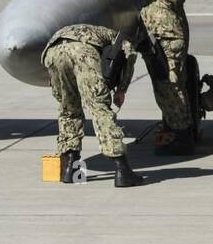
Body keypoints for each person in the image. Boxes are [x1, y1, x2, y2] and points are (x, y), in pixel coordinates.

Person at [91, 0, 194, 153]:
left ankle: (181, 137)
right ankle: (176, 129)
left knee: (170, 86)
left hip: (167, 36)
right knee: (168, 85)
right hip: (162, 35)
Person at [41, 23, 145, 188]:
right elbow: (129, 55)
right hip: (82, 51)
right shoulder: (118, 37)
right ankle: (122, 170)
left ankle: (71, 169)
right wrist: (122, 89)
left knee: (69, 110)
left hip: (53, 52)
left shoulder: (93, 31)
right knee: (100, 109)